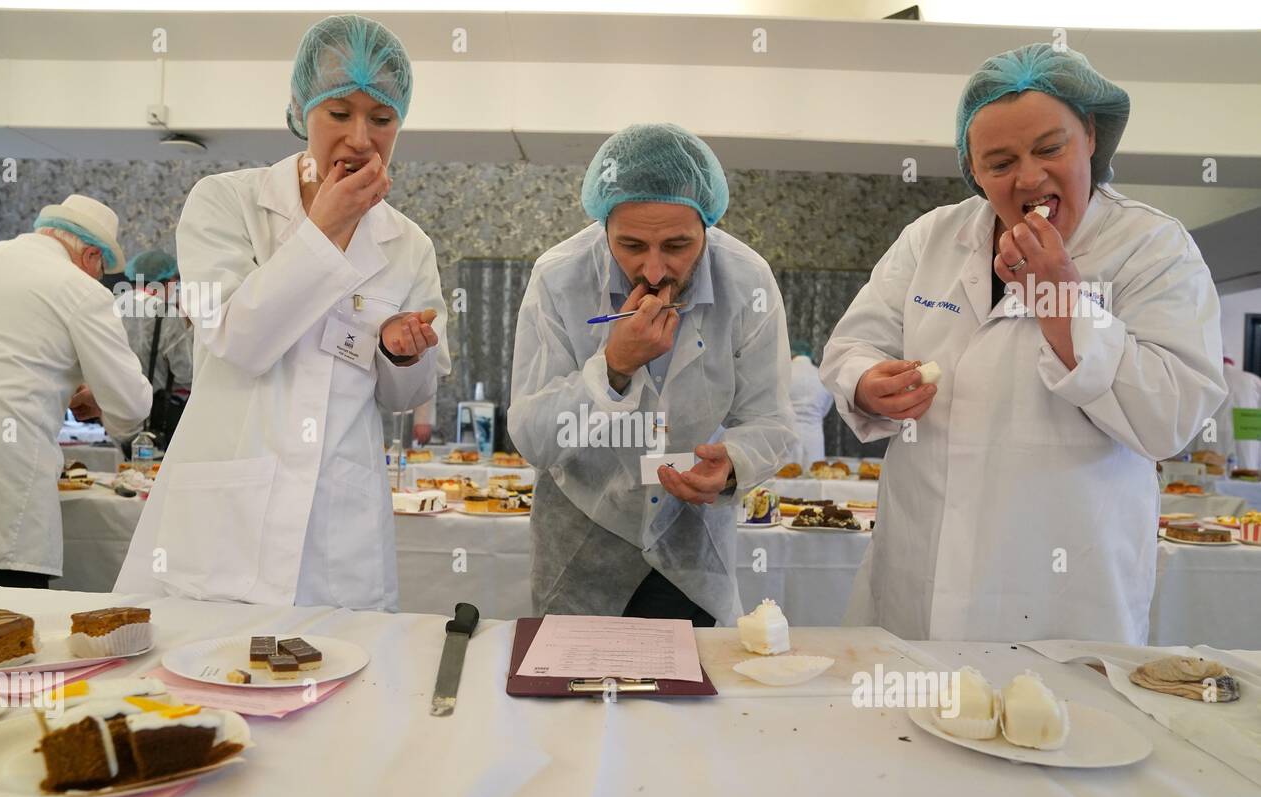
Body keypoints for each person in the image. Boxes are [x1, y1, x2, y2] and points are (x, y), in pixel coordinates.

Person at [821, 44, 1225, 644]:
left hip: (1063, 588)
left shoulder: (1154, 248)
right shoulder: (933, 237)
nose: (1030, 177)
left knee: (1057, 726)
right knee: (904, 729)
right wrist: (867, 383)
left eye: (1050, 148)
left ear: (1090, 136)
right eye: (1000, 161)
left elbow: (1171, 415)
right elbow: (853, 344)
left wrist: (1064, 304)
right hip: (920, 569)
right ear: (973, 170)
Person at [116, 15, 450, 611]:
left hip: (337, 523)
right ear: (302, 112)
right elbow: (235, 338)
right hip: (227, 514)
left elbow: (408, 395)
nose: (360, 137)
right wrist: (326, 227)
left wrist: (398, 351)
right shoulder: (227, 203)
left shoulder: (408, 244)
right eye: (338, 113)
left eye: (381, 118)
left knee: (347, 688)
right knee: (204, 687)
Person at [509, 123, 796, 627]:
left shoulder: (748, 281)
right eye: (632, 245)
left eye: (678, 245)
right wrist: (613, 367)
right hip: (581, 546)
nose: (656, 270)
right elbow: (532, 437)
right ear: (603, 227)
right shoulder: (559, 277)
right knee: (575, 700)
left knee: (687, 698)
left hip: (690, 550)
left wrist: (731, 464)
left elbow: (771, 421)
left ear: (709, 223)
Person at [0, 195, 152, 587]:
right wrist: (99, 401)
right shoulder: (80, 289)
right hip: (0, 487)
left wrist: (59, 388)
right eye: (101, 269)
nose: (99, 278)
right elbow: (130, 406)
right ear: (92, 256)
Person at [115, 249, 193, 448]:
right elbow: (185, 372)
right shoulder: (167, 314)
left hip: (114, 413)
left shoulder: (110, 306)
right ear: (167, 281)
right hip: (154, 419)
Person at [788, 339, 834, 467]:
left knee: (784, 480)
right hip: (815, 437)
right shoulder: (822, 375)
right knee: (814, 479)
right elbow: (825, 409)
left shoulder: (783, 372)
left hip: (787, 436)